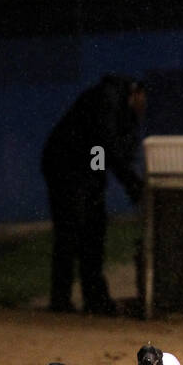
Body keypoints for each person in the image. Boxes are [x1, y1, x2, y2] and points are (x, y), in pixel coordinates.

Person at [41, 75, 145, 315]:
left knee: (94, 230)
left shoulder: (119, 106)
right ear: (136, 92)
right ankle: (61, 301)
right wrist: (132, 184)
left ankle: (94, 299)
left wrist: (131, 182)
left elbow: (116, 150)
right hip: (66, 167)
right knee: (71, 233)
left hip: (85, 170)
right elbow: (108, 144)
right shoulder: (108, 99)